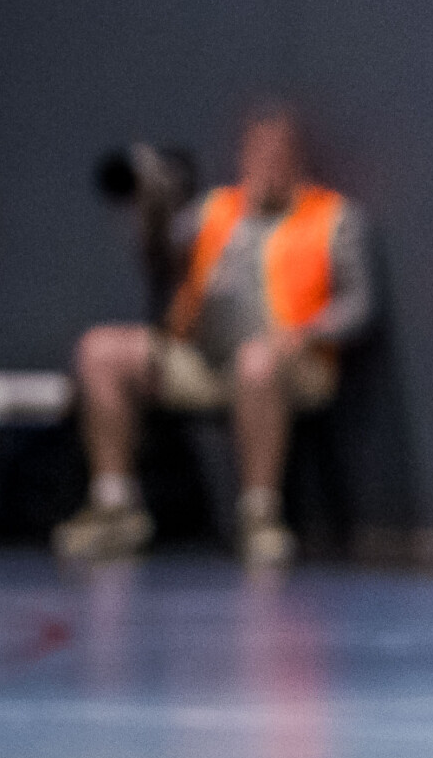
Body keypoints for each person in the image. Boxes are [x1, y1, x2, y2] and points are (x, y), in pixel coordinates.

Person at [56, 106, 373, 569]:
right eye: (256, 152)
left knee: (256, 363)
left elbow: (360, 304)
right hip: (205, 358)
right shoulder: (214, 209)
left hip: (292, 363)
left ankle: (259, 515)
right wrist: (151, 206)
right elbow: (161, 256)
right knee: (100, 351)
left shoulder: (334, 216)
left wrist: (308, 333)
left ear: (297, 159)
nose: (266, 163)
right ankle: (114, 505)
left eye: (277, 154)